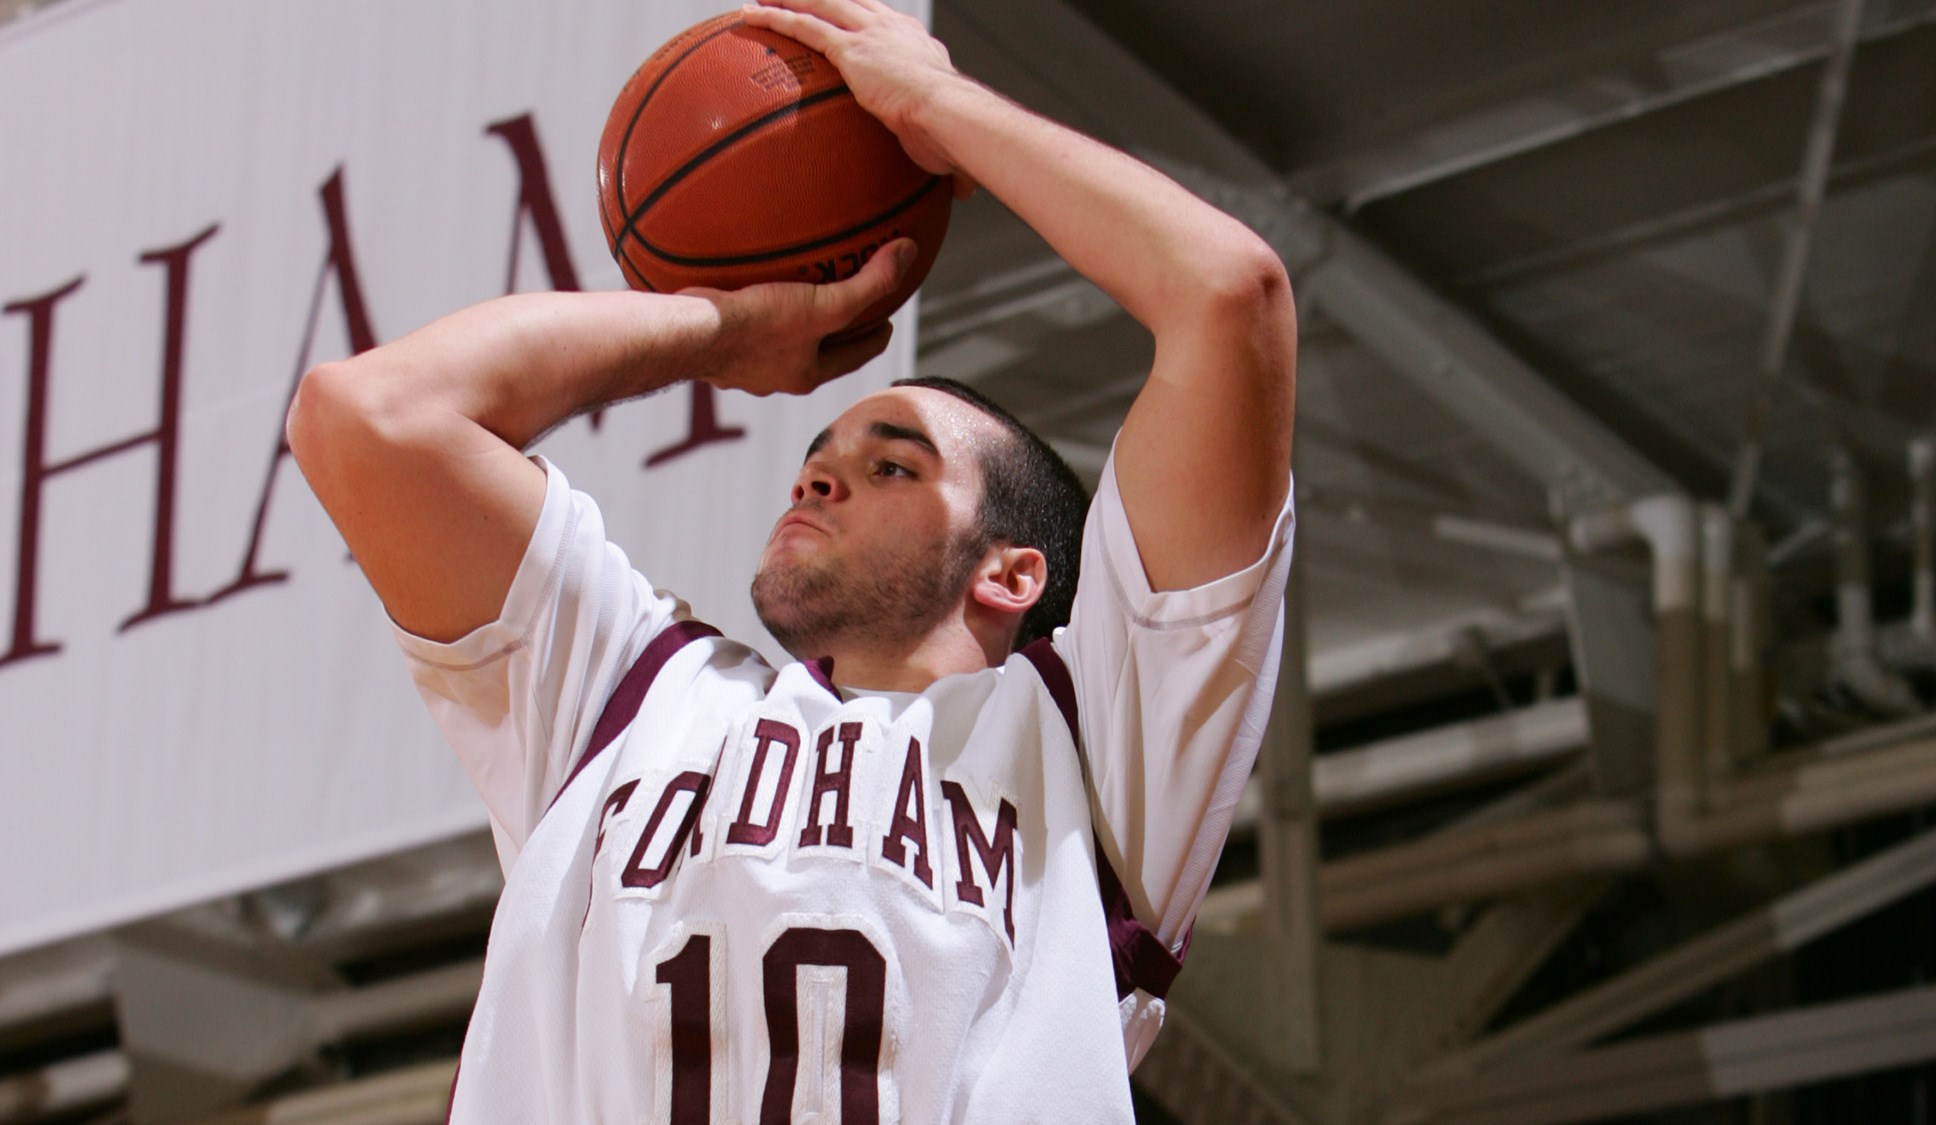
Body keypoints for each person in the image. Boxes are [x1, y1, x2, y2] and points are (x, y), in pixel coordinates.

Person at [286, 0, 1296, 1119]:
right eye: (819, 456)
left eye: (893, 466)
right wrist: (718, 330)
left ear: (1009, 575)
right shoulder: (632, 698)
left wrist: (938, 110)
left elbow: (1224, 296)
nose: (819, 477)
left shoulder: (1089, 744)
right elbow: (365, 419)